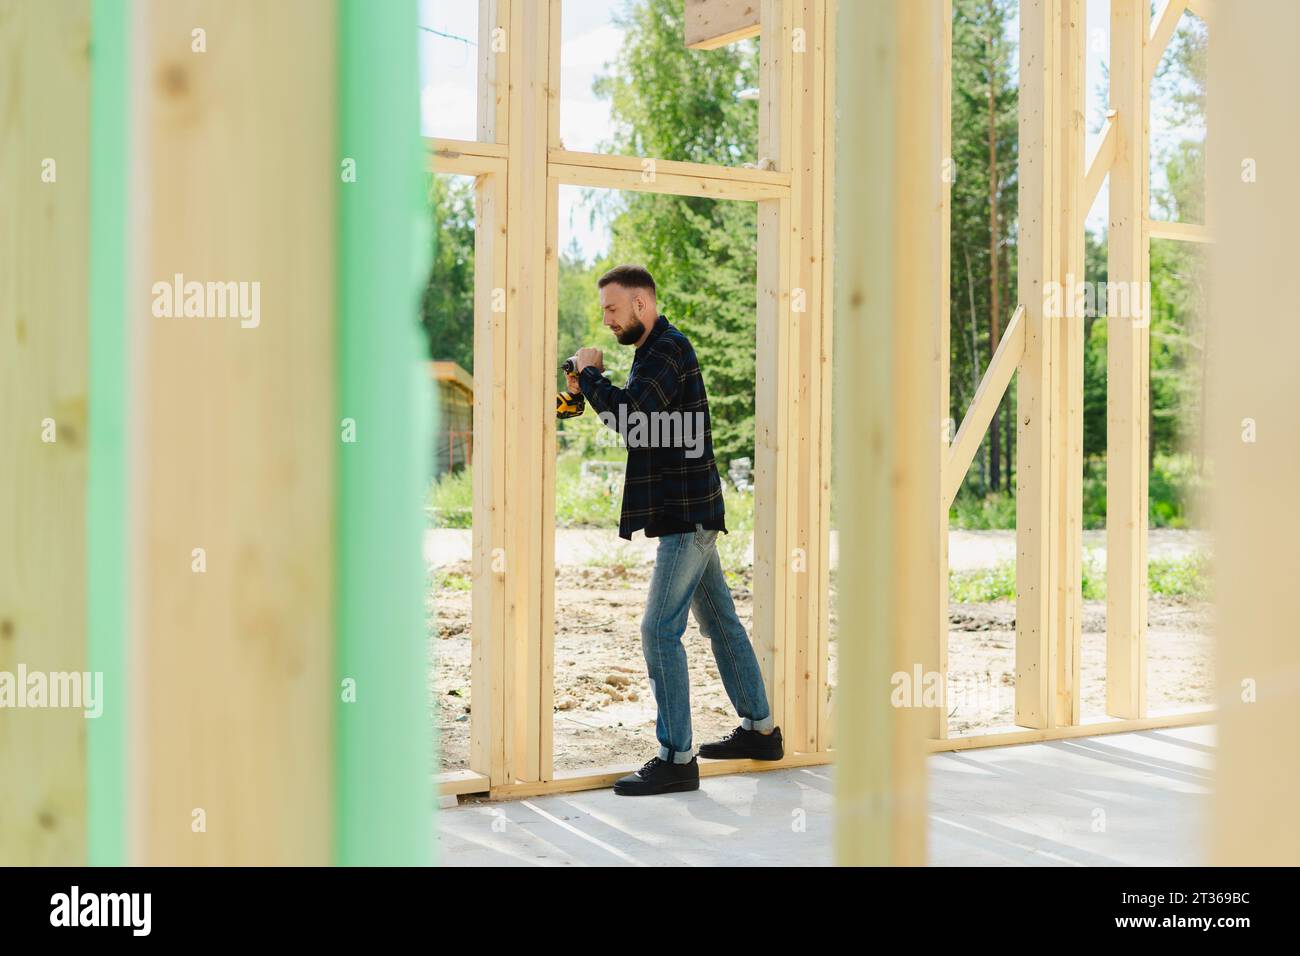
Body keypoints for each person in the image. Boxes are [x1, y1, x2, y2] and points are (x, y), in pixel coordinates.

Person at [572, 264, 783, 797]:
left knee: (658, 630)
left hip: (687, 518)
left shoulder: (668, 348)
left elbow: (631, 418)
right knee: (722, 625)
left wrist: (592, 376)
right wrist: (585, 387)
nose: (607, 320)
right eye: (604, 311)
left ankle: (676, 758)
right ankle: (761, 733)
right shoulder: (652, 353)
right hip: (688, 514)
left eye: (613, 309)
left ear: (642, 304)